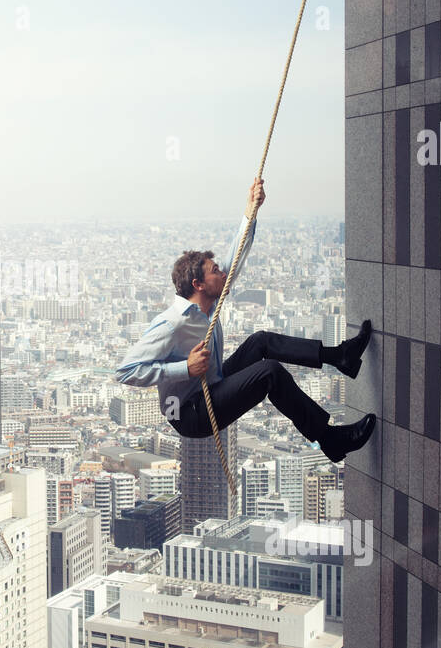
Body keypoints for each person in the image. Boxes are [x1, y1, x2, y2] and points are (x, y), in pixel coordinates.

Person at [115, 176, 376, 464]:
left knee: (261, 341)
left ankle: (340, 356)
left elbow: (235, 259)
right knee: (269, 372)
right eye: (215, 271)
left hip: (213, 384)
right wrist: (184, 369)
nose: (223, 273)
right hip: (191, 413)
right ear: (198, 284)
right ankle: (330, 439)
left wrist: (251, 211)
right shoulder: (171, 324)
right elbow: (126, 371)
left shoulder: (208, 305)